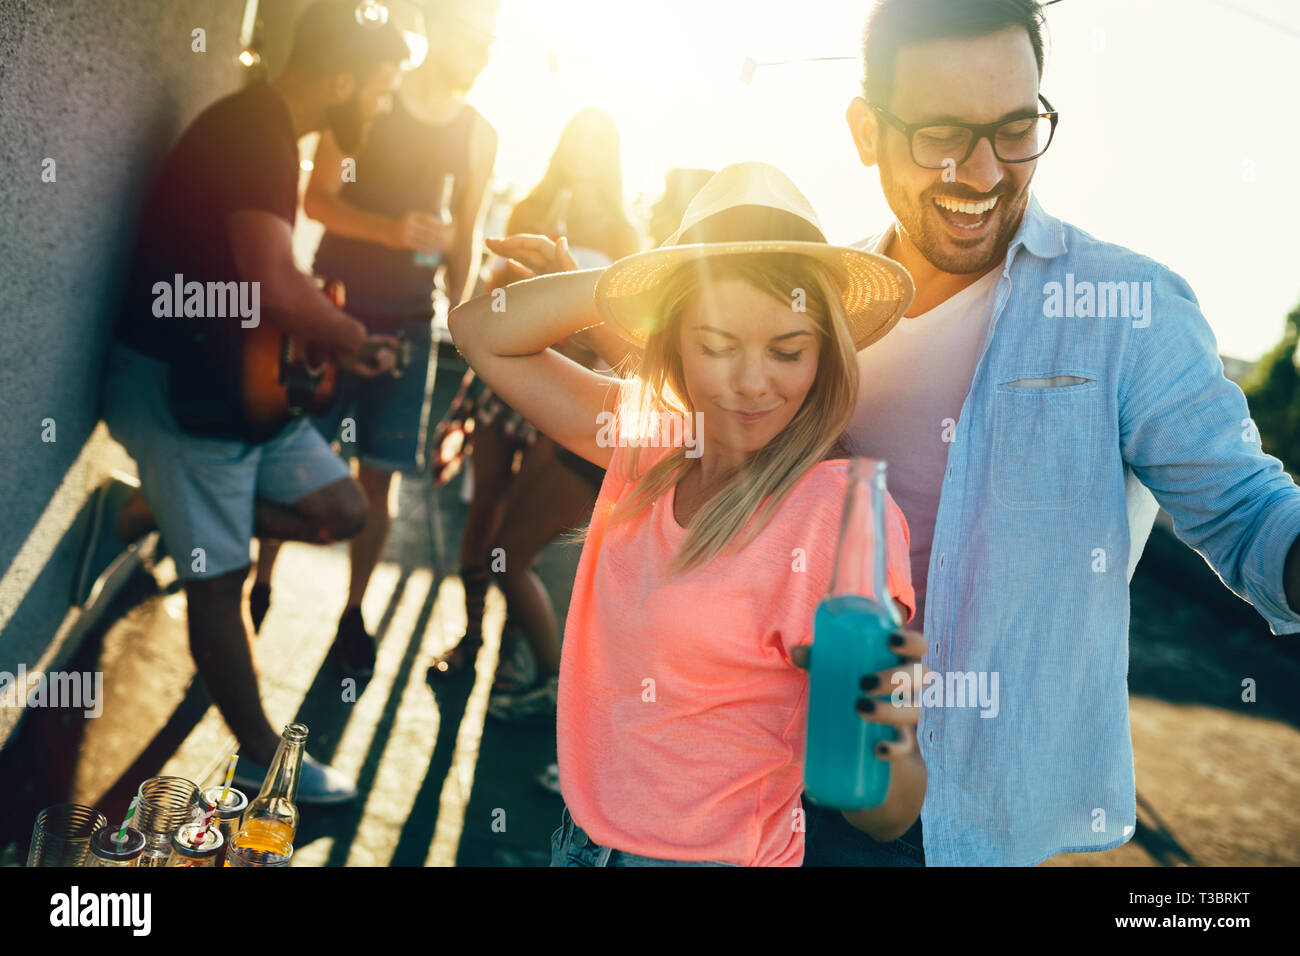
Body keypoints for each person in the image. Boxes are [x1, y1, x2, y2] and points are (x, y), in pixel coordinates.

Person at [809, 0, 1300, 866]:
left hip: (970, 820)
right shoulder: (814, 310)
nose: (984, 172)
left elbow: (1247, 509)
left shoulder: (1127, 310)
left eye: (1014, 128)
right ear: (864, 131)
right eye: (940, 135)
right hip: (777, 781)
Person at [451, 162, 927, 866]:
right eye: (717, 345)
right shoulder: (649, 449)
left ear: (827, 354)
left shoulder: (844, 513)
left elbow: (887, 815)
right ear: (674, 342)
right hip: (579, 845)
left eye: (788, 349)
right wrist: (641, 282)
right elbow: (480, 330)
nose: (753, 382)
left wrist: (880, 732)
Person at [101, 0, 409, 801]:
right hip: (180, 392)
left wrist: (333, 334)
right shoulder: (255, 132)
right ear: (341, 78)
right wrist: (351, 335)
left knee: (343, 510)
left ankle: (144, 514)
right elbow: (271, 278)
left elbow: (263, 282)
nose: (380, 106)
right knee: (221, 580)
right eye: (377, 89)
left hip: (236, 390)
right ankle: (259, 756)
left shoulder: (271, 134)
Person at [251, 0, 501, 679]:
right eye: (477, 36)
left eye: (493, 40)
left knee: (380, 480)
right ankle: (261, 585)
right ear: (440, 26)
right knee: (293, 458)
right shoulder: (373, 92)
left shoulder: (480, 133)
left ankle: (352, 615)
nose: (485, 52)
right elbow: (320, 198)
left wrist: (468, 319)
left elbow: (467, 232)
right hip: (330, 309)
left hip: (412, 323)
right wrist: (391, 232)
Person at [427, 107, 639, 706]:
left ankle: (513, 660)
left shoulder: (626, 237)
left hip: (571, 393)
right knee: (483, 514)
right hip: (510, 385)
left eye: (599, 145)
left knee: (517, 541)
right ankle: (470, 637)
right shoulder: (531, 211)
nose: (586, 154)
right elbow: (489, 299)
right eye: (578, 142)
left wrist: (576, 329)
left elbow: (627, 330)